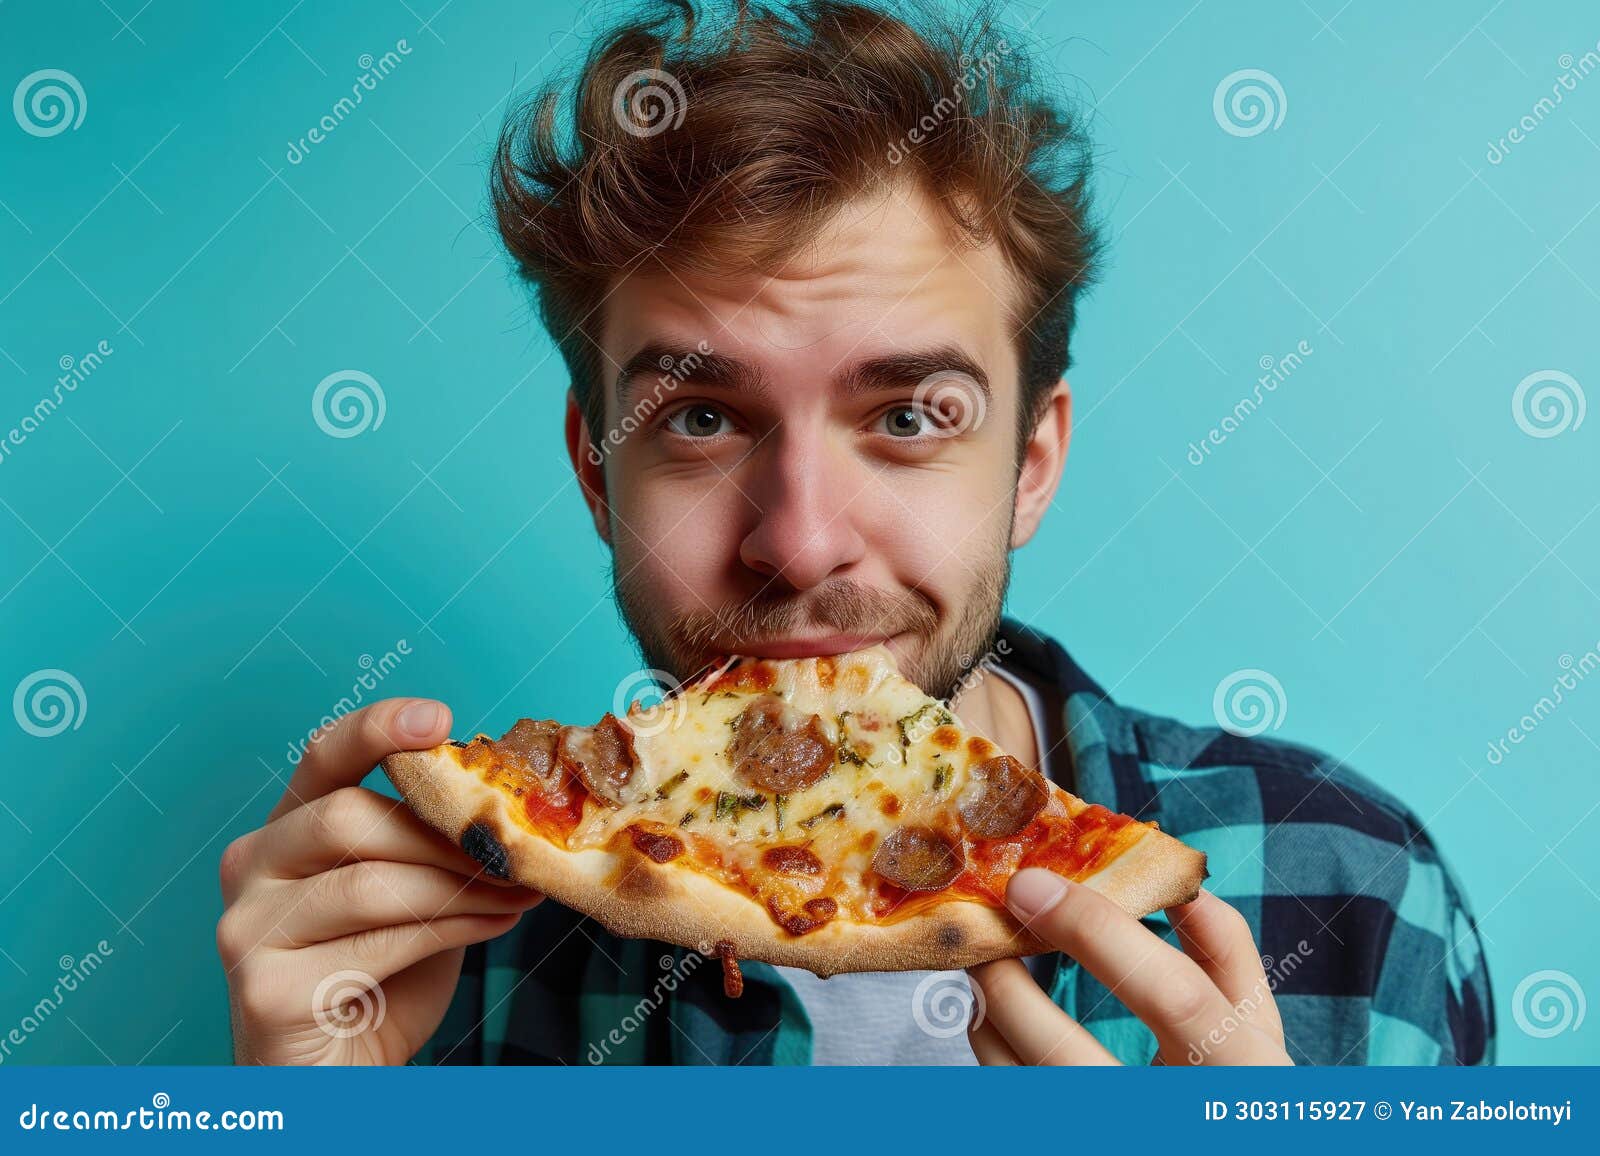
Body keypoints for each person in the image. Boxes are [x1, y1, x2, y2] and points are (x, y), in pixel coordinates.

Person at [216, 0, 1492, 1066]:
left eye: (906, 415)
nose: (802, 540)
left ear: (1030, 464)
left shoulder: (1348, 892)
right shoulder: (439, 967)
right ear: (598, 472)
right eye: (703, 416)